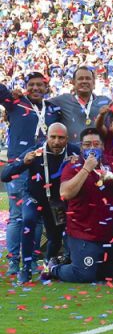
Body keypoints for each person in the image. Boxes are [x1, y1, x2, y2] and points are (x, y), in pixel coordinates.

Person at [41, 128, 113, 283]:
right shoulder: (72, 166)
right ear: (81, 147)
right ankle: (54, 267)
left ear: (103, 146)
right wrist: (86, 168)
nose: (91, 148)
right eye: (87, 144)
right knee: (84, 275)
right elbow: (65, 193)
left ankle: (72, 258)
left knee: (112, 276)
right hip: (82, 231)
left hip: (109, 232)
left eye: (96, 144)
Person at [1, 123, 79, 283]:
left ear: (67, 139)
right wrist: (24, 162)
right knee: (28, 220)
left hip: (57, 202)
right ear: (47, 137)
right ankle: (26, 268)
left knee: (55, 238)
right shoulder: (36, 151)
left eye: (61, 138)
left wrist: (79, 164)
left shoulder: (74, 152)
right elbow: (5, 176)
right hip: (34, 197)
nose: (56, 141)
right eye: (53, 137)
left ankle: (49, 264)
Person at [0, 74, 60, 276]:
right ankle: (13, 261)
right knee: (17, 217)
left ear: (46, 87)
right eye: (31, 85)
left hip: (41, 167)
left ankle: (32, 259)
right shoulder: (15, 103)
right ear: (25, 87)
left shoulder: (52, 109)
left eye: (40, 85)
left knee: (39, 216)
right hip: (18, 166)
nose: (35, 88)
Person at [49, 66, 112, 144]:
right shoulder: (61, 101)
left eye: (88, 78)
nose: (84, 81)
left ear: (94, 83)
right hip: (72, 154)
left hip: (99, 153)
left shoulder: (105, 101)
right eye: (80, 78)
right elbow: (41, 105)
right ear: (73, 82)